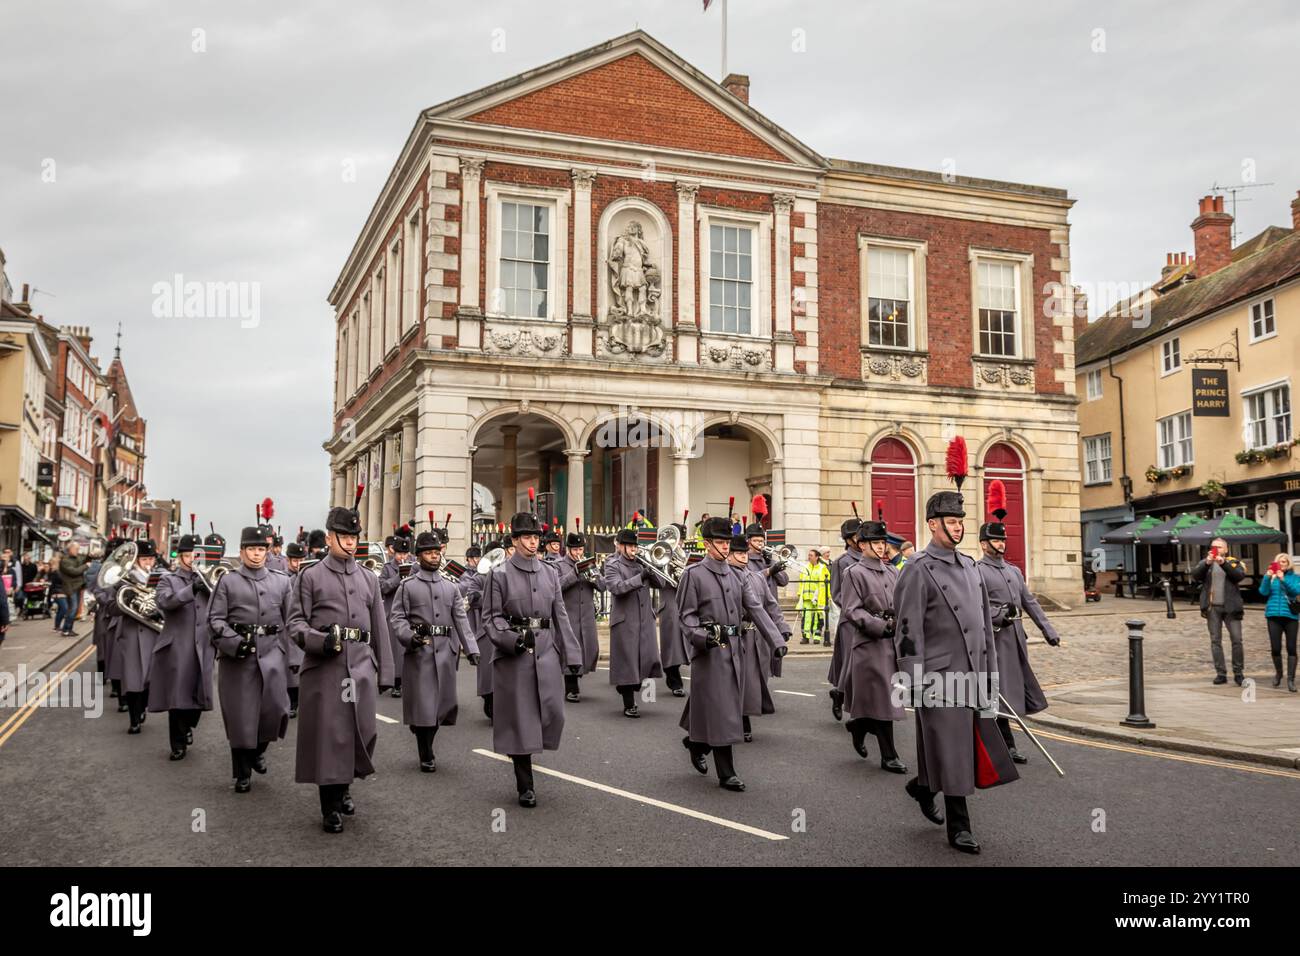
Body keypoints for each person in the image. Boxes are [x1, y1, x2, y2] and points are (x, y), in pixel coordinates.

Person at [894, 491, 1018, 855]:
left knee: (966, 748)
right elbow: (907, 630)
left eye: (961, 520)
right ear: (932, 524)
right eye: (951, 521)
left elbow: (983, 631)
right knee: (954, 751)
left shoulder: (971, 567)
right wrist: (911, 682)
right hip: (938, 678)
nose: (958, 526)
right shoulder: (917, 567)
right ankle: (959, 827)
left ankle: (922, 786)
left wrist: (991, 679)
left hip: (974, 675)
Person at [288, 501, 395, 833]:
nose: (350, 542)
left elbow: (380, 625)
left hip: (361, 666)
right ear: (330, 538)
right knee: (328, 736)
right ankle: (330, 805)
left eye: (354, 536)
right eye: (344, 536)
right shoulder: (310, 576)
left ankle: (345, 785)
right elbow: (295, 624)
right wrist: (321, 641)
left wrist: (387, 671)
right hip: (325, 670)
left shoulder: (368, 578)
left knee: (361, 731)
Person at [676, 517, 784, 791]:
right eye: (720, 542)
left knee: (725, 706)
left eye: (727, 542)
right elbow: (686, 618)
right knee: (722, 708)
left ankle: (696, 743)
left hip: (736, 649)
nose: (725, 548)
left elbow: (756, 608)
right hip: (710, 653)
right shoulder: (694, 575)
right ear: (706, 543)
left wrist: (775, 640)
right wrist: (704, 636)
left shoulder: (739, 577)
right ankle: (727, 772)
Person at [483, 511, 582, 807]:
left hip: (546, 652)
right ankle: (525, 784)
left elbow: (560, 615)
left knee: (554, 712)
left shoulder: (550, 573)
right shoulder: (498, 574)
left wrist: (572, 652)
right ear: (514, 540)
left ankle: (526, 749)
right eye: (527, 536)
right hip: (514, 657)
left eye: (536, 536)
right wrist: (511, 638)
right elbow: (491, 619)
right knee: (523, 720)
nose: (533, 541)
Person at [208, 527, 292, 793]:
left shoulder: (282, 581)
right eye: (252, 549)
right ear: (242, 551)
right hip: (238, 658)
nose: (257, 554)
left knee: (276, 709)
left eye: (261, 549)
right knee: (241, 717)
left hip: (272, 653)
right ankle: (242, 773)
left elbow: (292, 621)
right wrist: (234, 643)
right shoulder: (228, 581)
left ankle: (257, 750)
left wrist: (293, 656)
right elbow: (215, 620)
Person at [389, 530, 478, 772]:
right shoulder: (407, 587)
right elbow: (397, 618)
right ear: (419, 556)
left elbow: (461, 619)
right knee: (426, 705)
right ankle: (426, 753)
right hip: (420, 652)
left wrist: (471, 650)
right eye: (428, 552)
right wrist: (410, 636)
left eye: (437, 552)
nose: (434, 556)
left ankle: (424, 731)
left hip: (446, 652)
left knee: (442, 706)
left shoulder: (450, 587)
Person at [976, 517, 1060, 763]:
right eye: (995, 540)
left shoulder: (1014, 571)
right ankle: (1005, 745)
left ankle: (1003, 743)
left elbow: (1030, 602)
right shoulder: (977, 570)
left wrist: (1048, 630)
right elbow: (976, 606)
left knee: (1011, 692)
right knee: (997, 692)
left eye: (1002, 539)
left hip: (1016, 641)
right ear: (983, 544)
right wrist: (1000, 614)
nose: (1000, 544)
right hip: (994, 640)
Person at [839, 520, 907, 773]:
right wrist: (878, 625)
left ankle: (859, 726)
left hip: (892, 643)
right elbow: (851, 610)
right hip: (869, 644)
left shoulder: (893, 571)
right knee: (885, 700)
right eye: (876, 542)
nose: (881, 547)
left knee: (884, 699)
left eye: (883, 542)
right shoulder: (854, 573)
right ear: (863, 544)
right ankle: (889, 755)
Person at [148, 534, 215, 761]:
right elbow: (165, 602)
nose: (191, 560)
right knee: (178, 697)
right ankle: (177, 744)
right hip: (178, 644)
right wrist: (191, 590)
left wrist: (209, 587)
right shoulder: (168, 579)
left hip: (203, 644)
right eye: (187, 555)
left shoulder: (208, 579)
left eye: (195, 555)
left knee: (199, 695)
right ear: (180, 557)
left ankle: (188, 726)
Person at [729, 533, 788, 742]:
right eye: (738, 553)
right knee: (735, 682)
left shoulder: (756, 577)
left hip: (756, 636)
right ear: (728, 555)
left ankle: (744, 717)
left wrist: (782, 628)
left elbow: (770, 605)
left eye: (745, 553)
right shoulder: (726, 577)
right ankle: (739, 722)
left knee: (754, 681)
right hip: (733, 637)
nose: (743, 557)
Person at [603, 527, 662, 716]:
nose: (633, 550)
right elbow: (617, 587)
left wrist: (654, 570)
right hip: (625, 621)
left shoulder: (641, 563)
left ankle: (626, 686)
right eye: (629, 546)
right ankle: (629, 704)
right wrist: (641, 577)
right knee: (627, 662)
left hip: (645, 620)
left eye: (635, 546)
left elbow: (662, 584)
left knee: (647, 659)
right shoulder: (612, 565)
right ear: (620, 546)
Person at [114, 539, 161, 734]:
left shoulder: (160, 578)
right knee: (132, 679)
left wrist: (159, 610)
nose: (148, 562)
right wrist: (127, 600)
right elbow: (110, 606)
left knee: (150, 678)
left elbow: (166, 601)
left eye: (150, 558)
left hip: (153, 633)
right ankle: (134, 719)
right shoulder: (123, 579)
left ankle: (142, 708)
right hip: (132, 634)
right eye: (144, 559)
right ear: (136, 560)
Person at [556, 531, 605, 702]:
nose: (578, 553)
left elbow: (603, 586)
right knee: (570, 649)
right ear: (568, 549)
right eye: (575, 550)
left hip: (587, 615)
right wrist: (575, 573)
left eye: (581, 549)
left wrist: (594, 578)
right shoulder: (559, 565)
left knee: (589, 648)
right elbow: (557, 586)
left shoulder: (589, 564)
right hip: (569, 614)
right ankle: (571, 688)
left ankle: (577, 675)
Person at [1192, 537, 1247, 685]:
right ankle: (1221, 673)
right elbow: (1195, 575)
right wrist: (1208, 562)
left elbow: (1239, 576)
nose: (1215, 549)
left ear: (1226, 549)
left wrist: (1223, 563)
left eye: (1219, 547)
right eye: (1213, 547)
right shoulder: (1206, 563)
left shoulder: (1234, 562)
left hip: (1231, 608)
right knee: (1215, 641)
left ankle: (1238, 672)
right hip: (1213, 608)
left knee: (1237, 640)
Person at [826, 517, 862, 719]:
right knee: (851, 662)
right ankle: (842, 696)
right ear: (849, 540)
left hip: (870, 620)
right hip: (850, 620)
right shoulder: (841, 562)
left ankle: (842, 694)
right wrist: (857, 608)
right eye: (857, 535)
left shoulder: (870, 557)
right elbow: (837, 593)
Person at [1259, 553, 1300, 692]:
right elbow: (1263, 592)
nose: (1281, 564)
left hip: (1291, 617)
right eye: (1279, 562)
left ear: (1288, 563)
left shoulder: (1295, 577)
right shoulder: (1272, 578)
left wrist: (1283, 580)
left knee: (1291, 648)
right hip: (1273, 616)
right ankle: (1278, 673)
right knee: (1275, 648)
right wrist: (1267, 577)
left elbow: (1296, 591)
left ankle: (1291, 679)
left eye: (1284, 562)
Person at [657, 524, 689, 698]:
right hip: (670, 602)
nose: (679, 544)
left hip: (685, 602)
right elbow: (660, 582)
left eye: (681, 540)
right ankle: (674, 679)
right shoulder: (662, 554)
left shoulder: (683, 555)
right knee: (672, 645)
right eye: (678, 540)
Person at [379, 536, 413, 698]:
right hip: (392, 612)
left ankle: (409, 680)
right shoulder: (387, 568)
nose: (402, 557)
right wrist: (399, 576)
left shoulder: (414, 566)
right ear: (394, 553)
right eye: (400, 554)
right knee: (396, 650)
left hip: (410, 614)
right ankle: (396, 682)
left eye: (405, 554)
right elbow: (382, 588)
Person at [283, 541, 306, 716]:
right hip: (288, 627)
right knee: (291, 667)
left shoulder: (307, 577)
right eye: (295, 561)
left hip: (305, 625)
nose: (298, 564)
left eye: (301, 560)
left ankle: (299, 700)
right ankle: (291, 702)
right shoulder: (284, 579)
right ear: (288, 561)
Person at [796, 548, 830, 644]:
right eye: (808, 555)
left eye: (811, 555)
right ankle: (805, 637)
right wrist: (800, 595)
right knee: (806, 618)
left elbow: (825, 584)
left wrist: (826, 596)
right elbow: (801, 582)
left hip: (818, 598)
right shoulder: (805, 567)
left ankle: (817, 637)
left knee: (817, 617)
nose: (809, 557)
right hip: (806, 597)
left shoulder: (822, 568)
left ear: (817, 557)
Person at [58, 542, 90, 635]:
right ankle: (66, 630)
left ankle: (68, 629)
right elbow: (74, 572)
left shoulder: (75, 558)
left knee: (74, 609)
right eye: (76, 549)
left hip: (76, 587)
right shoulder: (65, 561)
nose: (78, 551)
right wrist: (86, 566)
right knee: (73, 609)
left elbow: (83, 560)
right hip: (70, 588)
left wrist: (89, 556)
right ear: (70, 549)